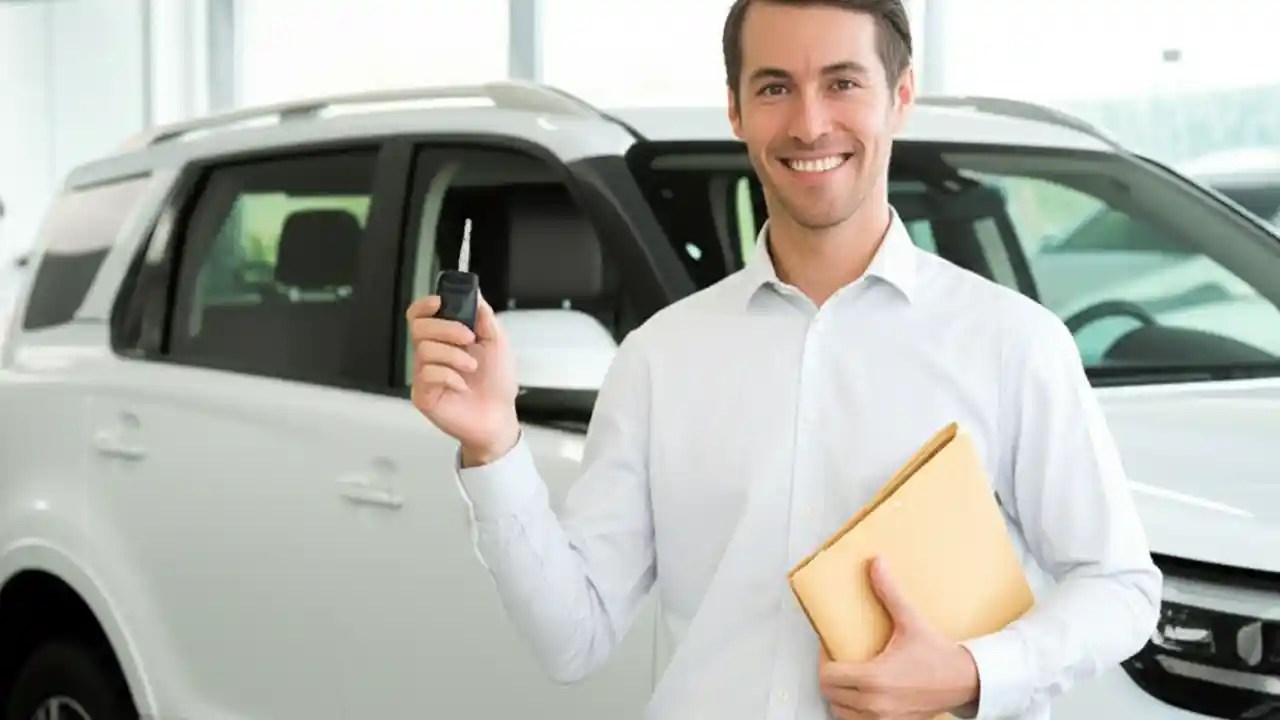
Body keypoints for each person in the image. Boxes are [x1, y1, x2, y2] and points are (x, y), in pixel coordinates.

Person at [405, 0, 1163, 717]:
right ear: (735, 108)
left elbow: (1120, 586)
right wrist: (492, 444)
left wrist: (973, 674)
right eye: (775, 87)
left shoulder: (1012, 343)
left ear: (900, 96)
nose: (809, 123)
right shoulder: (660, 359)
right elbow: (573, 640)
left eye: (842, 82)